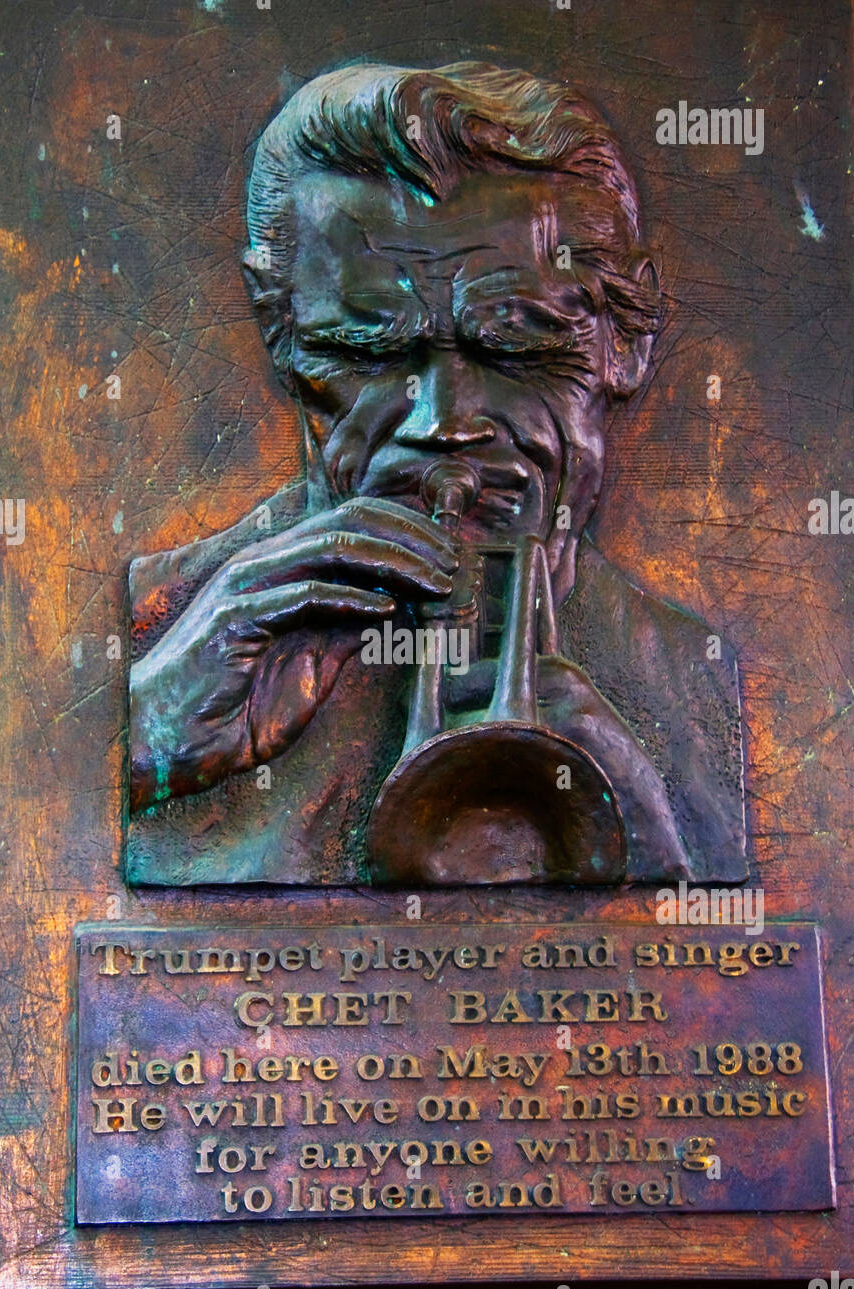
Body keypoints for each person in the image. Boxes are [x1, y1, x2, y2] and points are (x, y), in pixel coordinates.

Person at [127, 62, 746, 887]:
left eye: (517, 347)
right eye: (366, 352)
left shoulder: (697, 678)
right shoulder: (149, 655)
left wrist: (652, 866)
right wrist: (138, 750)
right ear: (280, 331)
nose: (441, 423)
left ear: (624, 344)